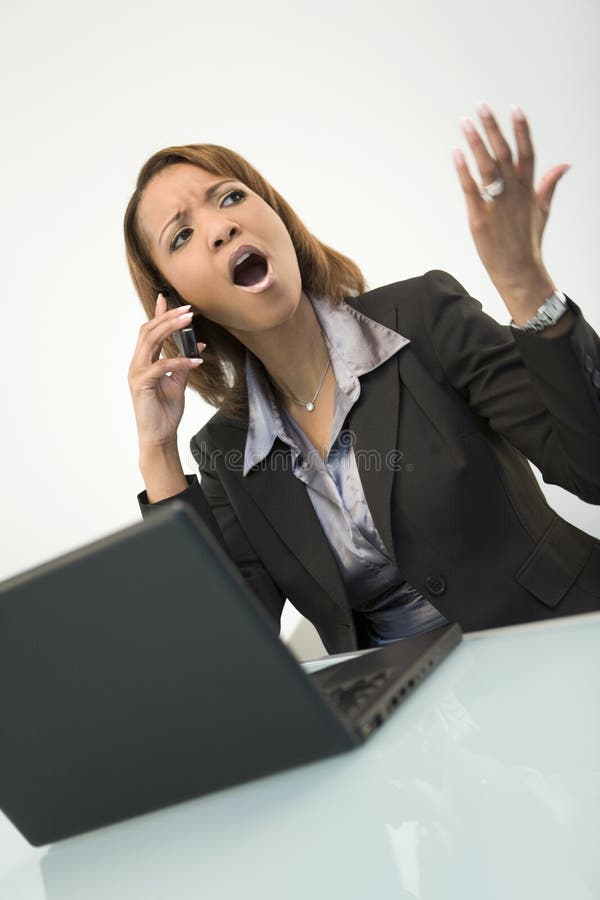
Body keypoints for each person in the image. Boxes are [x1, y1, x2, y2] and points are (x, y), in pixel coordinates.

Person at [125, 103, 600, 655]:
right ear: (178, 303)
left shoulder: (423, 316)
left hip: (563, 643)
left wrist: (526, 286)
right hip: (402, 712)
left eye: (230, 197)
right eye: (180, 236)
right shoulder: (225, 452)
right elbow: (224, 651)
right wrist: (158, 451)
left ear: (275, 215)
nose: (220, 226)